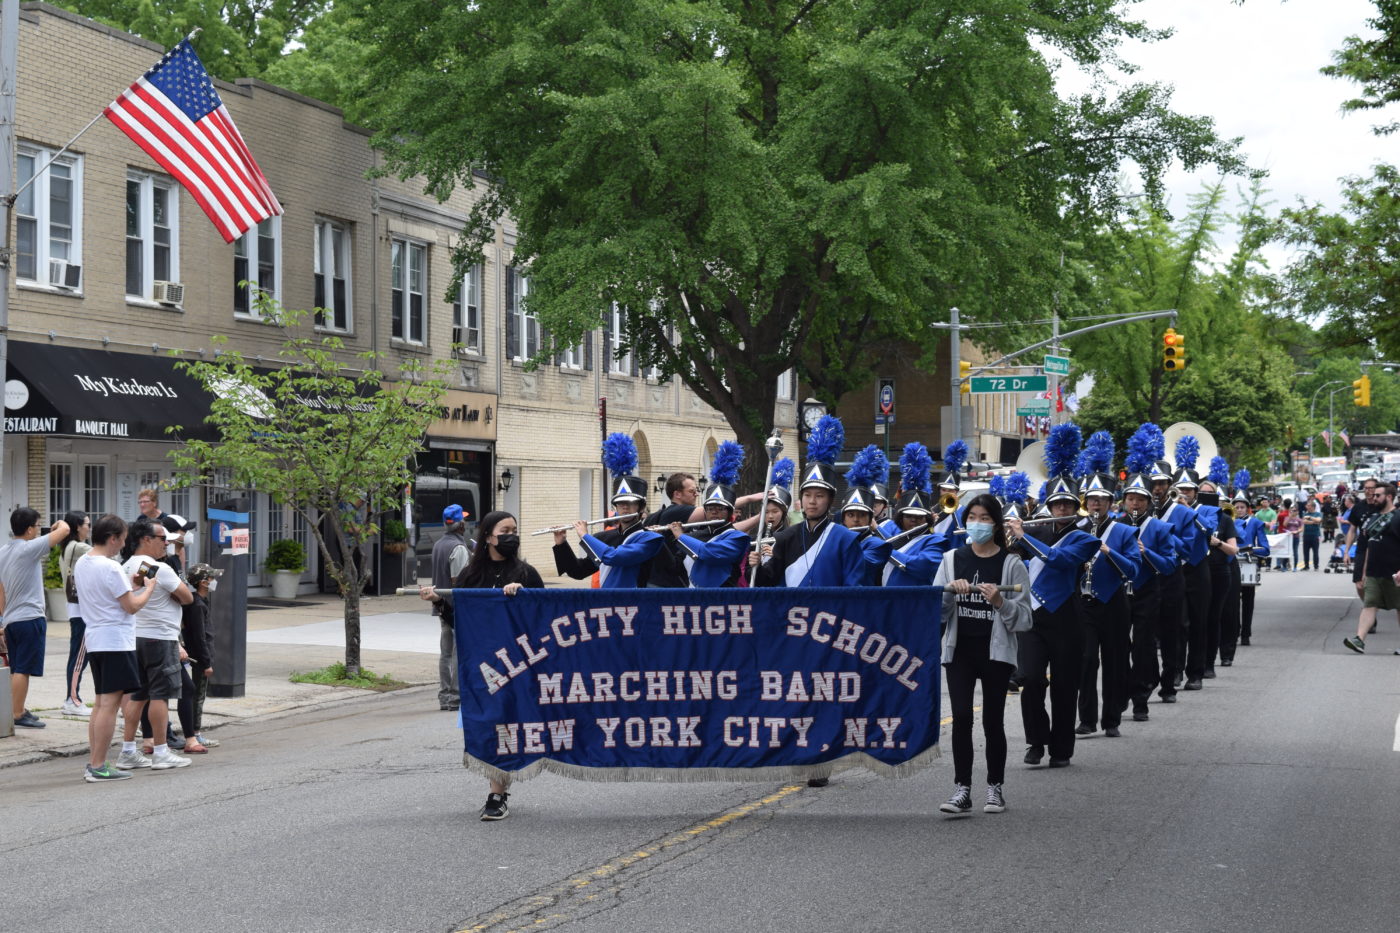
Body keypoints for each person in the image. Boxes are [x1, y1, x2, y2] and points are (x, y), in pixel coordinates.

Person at [420, 510, 543, 820]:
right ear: (489, 536)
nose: (511, 535)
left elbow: (543, 619)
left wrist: (522, 598)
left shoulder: (527, 574)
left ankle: (496, 794)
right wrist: (438, 600)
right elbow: (458, 621)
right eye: (505, 530)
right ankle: (497, 789)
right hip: (483, 665)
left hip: (517, 664)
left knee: (507, 724)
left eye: (515, 529)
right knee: (490, 726)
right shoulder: (470, 577)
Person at [1006, 426, 1098, 769]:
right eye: (1056, 503)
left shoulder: (1084, 537)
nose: (1060, 508)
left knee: (1064, 686)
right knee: (1030, 680)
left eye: (1066, 504)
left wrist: (1024, 538)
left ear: (1075, 507)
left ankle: (1061, 749)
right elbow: (1007, 554)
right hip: (1033, 619)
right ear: (1048, 505)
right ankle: (1035, 742)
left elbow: (1058, 560)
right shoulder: (1036, 529)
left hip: (1067, 619)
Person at [935, 495, 1032, 815]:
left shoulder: (1011, 564)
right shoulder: (950, 559)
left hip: (996, 653)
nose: (978, 524)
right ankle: (962, 789)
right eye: (972, 517)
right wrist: (949, 594)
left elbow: (1025, 618)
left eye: (985, 518)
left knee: (993, 720)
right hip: (959, 650)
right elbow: (934, 612)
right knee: (961, 717)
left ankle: (995, 788)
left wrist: (1000, 603)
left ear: (996, 523)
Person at [74, 514, 159, 781]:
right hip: (115, 641)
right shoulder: (110, 567)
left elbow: (110, 594)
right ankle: (99, 766)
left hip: (96, 638)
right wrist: (148, 588)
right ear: (112, 538)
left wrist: (131, 586)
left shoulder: (83, 561)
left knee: (101, 704)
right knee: (109, 705)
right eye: (122, 540)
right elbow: (131, 606)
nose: (123, 545)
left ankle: (94, 762)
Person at [116, 520, 195, 770]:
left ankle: (128, 750)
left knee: (137, 696)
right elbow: (188, 596)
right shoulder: (158, 567)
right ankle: (161, 751)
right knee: (160, 695)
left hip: (134, 637)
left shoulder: (125, 565)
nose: (167, 543)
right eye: (162, 538)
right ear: (146, 539)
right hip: (160, 637)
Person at [1075, 472, 1140, 738]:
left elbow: (1134, 569)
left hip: (1114, 602)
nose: (1096, 504)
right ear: (1086, 502)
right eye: (1092, 500)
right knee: (1087, 659)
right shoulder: (1077, 530)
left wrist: (1109, 552)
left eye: (1102, 500)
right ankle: (1087, 719)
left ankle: (1111, 719)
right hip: (1084, 603)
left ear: (1111, 503)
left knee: (1115, 661)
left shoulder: (1124, 531)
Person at [554, 433, 663, 589]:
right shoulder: (603, 537)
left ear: (641, 507)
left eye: (630, 503)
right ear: (615, 507)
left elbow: (614, 557)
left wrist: (585, 536)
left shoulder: (650, 539)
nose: (624, 507)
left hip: (637, 604)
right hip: (607, 605)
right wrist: (561, 544)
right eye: (620, 503)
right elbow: (577, 572)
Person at [0, 508, 70, 729]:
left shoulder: (3, 551)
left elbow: (0, 590)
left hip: (11, 619)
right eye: (38, 526)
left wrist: (2, 620)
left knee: (16, 667)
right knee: (23, 668)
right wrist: (58, 523)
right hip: (29, 617)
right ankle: (18, 713)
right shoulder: (29, 548)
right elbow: (66, 529)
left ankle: (15, 708)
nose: (39, 530)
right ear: (30, 529)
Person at [1119, 469, 1179, 722]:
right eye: (1131, 499)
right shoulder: (1115, 525)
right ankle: (1120, 695)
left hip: (1147, 591)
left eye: (1140, 499)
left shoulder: (1160, 528)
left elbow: (1170, 565)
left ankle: (1141, 699)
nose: (1135, 503)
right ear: (1124, 501)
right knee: (1119, 647)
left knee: (1143, 647)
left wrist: (1146, 552)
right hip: (1119, 593)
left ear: (1148, 502)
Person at [674, 442, 751, 588]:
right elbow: (676, 567)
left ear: (729, 512)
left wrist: (680, 536)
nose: (714, 512)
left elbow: (710, 553)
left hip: (724, 599)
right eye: (710, 508)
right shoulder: (693, 535)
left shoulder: (738, 538)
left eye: (719, 508)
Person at [1343, 482, 1400, 654]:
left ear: (1389, 497)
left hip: (1394, 572)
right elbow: (1370, 546)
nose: (1373, 498)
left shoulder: (1398, 517)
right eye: (1373, 495)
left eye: (1378, 495)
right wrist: (1365, 571)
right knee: (1369, 604)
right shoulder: (1374, 519)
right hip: (1374, 571)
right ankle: (1359, 640)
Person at [431, 504, 473, 711]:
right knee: (457, 653)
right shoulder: (459, 548)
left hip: (440, 604)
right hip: (455, 607)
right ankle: (455, 697)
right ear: (461, 524)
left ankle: (444, 697)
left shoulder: (439, 544)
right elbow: (459, 582)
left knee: (445, 653)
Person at [1196, 479, 1238, 678]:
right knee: (1194, 620)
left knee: (1213, 618)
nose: (1205, 496)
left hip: (1219, 571)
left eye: (1209, 494)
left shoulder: (1225, 519)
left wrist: (1217, 542)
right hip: (1196, 571)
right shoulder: (1191, 515)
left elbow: (1233, 549)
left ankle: (1208, 664)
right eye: (1201, 493)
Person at [183, 563, 222, 750]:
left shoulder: (198, 601)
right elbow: (199, 636)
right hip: (199, 657)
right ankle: (195, 733)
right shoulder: (197, 604)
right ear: (204, 582)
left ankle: (194, 732)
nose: (215, 581)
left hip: (198, 655)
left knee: (197, 694)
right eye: (212, 578)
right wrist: (207, 662)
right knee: (198, 695)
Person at [59, 510, 94, 717]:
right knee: (79, 657)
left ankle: (72, 698)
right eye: (87, 524)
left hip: (76, 608)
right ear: (77, 527)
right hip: (81, 610)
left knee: (79, 655)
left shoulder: (67, 546)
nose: (89, 528)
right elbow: (107, 555)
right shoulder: (79, 547)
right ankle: (72, 699)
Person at [643, 472, 700, 588]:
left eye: (697, 490)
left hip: (657, 580)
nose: (697, 494)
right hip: (667, 584)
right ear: (677, 494)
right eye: (692, 491)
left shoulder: (654, 516)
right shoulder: (678, 511)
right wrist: (748, 498)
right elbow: (715, 510)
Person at [1232, 492, 1269, 649]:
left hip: (1248, 565)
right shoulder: (1227, 521)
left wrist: (1250, 550)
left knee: (1248, 602)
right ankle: (1233, 631)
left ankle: (1246, 633)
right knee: (1231, 603)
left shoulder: (1255, 523)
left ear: (1248, 509)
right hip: (1231, 565)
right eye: (1237, 507)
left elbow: (1265, 549)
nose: (1239, 510)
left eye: (1242, 507)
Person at [136, 488, 190, 575]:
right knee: (145, 584)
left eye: (145, 502)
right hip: (148, 561)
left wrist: (182, 571)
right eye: (140, 502)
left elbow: (179, 546)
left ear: (154, 503)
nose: (142, 504)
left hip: (168, 561)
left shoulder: (168, 520)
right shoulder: (140, 519)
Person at [1301, 497, 1323, 570]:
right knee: (1305, 552)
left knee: (1315, 552)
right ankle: (1306, 566)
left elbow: (1319, 520)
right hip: (1306, 535)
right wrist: (1314, 522)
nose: (1307, 507)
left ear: (1313, 507)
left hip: (1315, 535)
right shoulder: (1305, 513)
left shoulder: (1317, 513)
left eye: (1308, 506)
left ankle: (1316, 566)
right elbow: (1304, 522)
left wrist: (1310, 517)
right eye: (1307, 506)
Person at [1281, 500, 1301, 571]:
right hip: (1288, 537)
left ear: (1297, 512)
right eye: (1292, 510)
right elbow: (1284, 525)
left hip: (1295, 537)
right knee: (1286, 551)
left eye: (1295, 510)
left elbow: (1301, 528)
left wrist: (1297, 531)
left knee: (1295, 551)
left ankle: (1295, 566)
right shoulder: (1287, 518)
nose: (1293, 512)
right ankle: (1284, 566)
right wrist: (1289, 517)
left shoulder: (1299, 519)